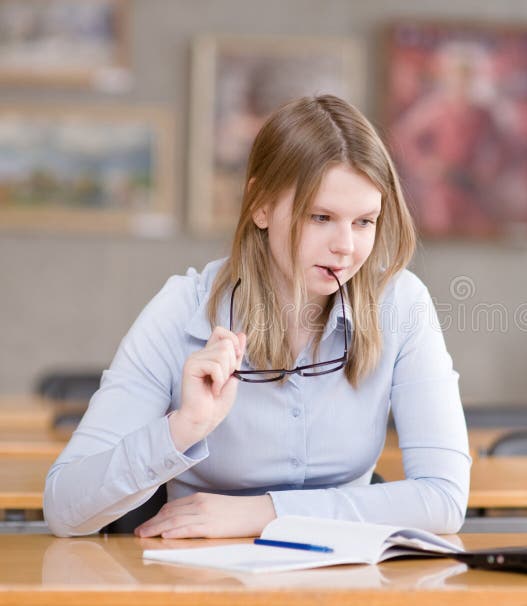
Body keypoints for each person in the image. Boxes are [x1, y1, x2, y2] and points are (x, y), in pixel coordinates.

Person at [44, 95, 471, 538]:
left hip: (347, 580)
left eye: (365, 222)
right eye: (320, 217)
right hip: (200, 581)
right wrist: (183, 429)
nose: (345, 246)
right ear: (260, 205)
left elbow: (444, 498)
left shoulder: (400, 304)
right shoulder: (180, 311)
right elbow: (63, 509)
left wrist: (265, 513)